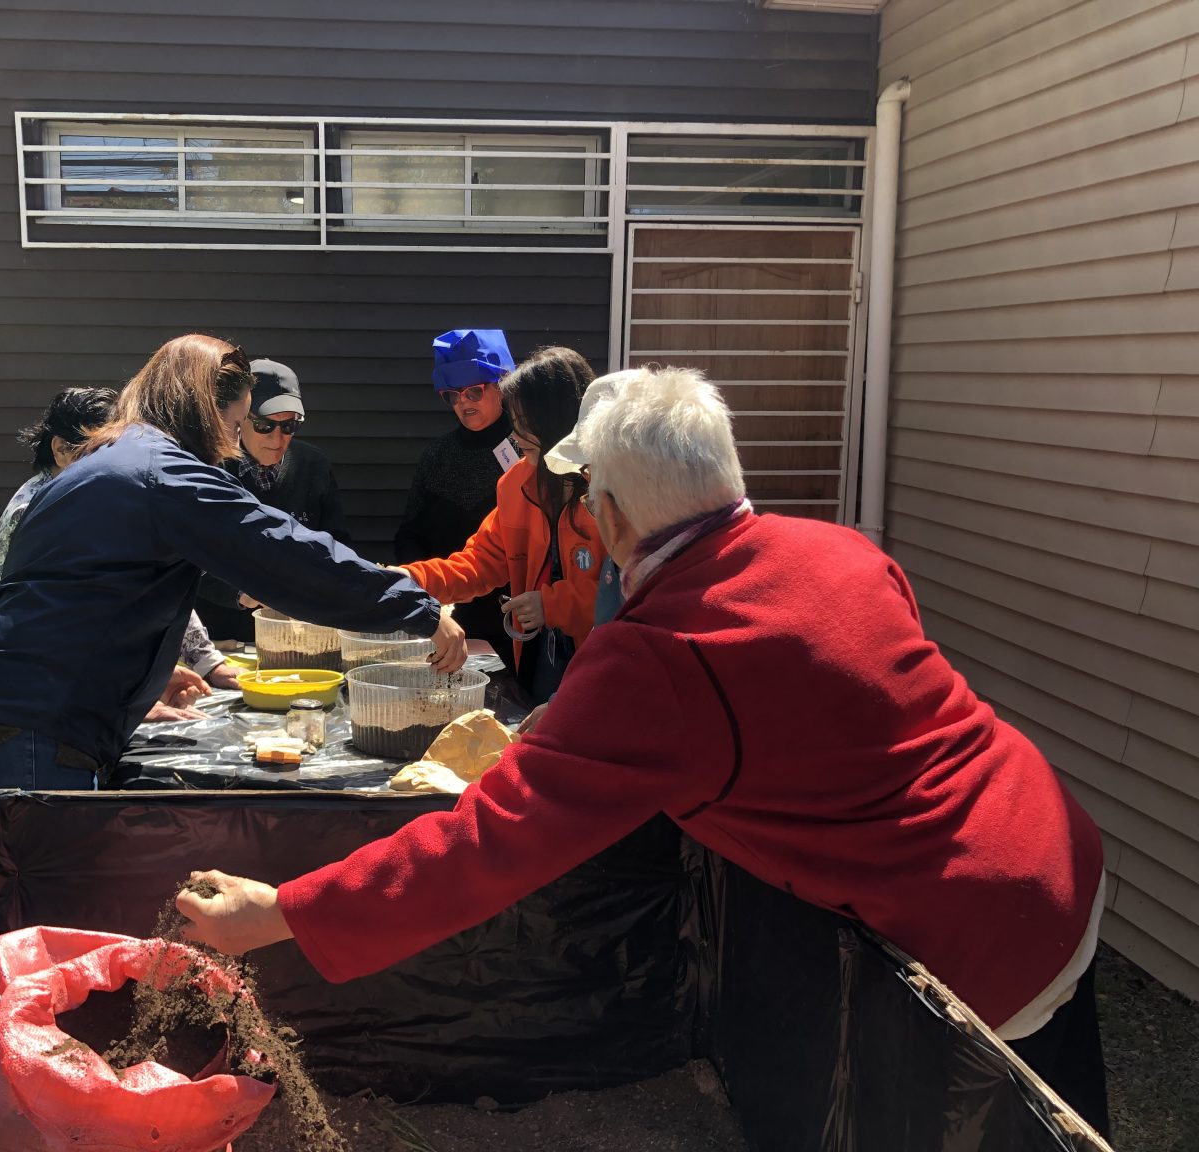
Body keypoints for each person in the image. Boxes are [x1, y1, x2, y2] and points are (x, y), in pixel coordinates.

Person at [176, 365, 1110, 1134]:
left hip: (969, 933)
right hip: (1046, 841)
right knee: (1071, 1103)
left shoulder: (659, 658)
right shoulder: (840, 550)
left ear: (611, 516)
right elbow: (817, 713)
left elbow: (490, 842)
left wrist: (284, 908)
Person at [0, 334, 467, 791]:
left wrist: (142, 671)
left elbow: (74, 594)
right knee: (36, 898)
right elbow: (284, 553)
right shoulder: (162, 472)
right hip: (31, 726)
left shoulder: (113, 459)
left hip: (9, 709)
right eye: (237, 424)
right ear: (204, 412)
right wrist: (418, 609)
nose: (235, 444)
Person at [0, 386, 242, 720]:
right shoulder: (37, 515)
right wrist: (124, 696)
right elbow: (51, 634)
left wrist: (208, 663)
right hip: (35, 713)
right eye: (105, 453)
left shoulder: (95, 501)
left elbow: (155, 585)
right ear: (62, 450)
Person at [396, 346, 602, 703]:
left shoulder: (609, 491)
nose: (515, 432)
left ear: (557, 420)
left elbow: (629, 591)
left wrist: (552, 605)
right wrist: (409, 581)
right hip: (539, 659)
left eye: (523, 421)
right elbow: (478, 563)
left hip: (604, 663)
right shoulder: (516, 484)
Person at [196, 360, 352, 644]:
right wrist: (239, 593)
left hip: (299, 636)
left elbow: (336, 544)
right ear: (240, 417)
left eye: (289, 425)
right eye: (265, 424)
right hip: (223, 638)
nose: (278, 438)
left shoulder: (313, 464)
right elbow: (190, 556)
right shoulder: (209, 467)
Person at [394, 330, 521, 673]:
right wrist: (421, 599)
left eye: (475, 391)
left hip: (515, 619)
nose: (465, 403)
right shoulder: (437, 455)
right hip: (444, 611)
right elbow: (410, 534)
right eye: (453, 395)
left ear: (502, 387)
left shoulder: (526, 451)